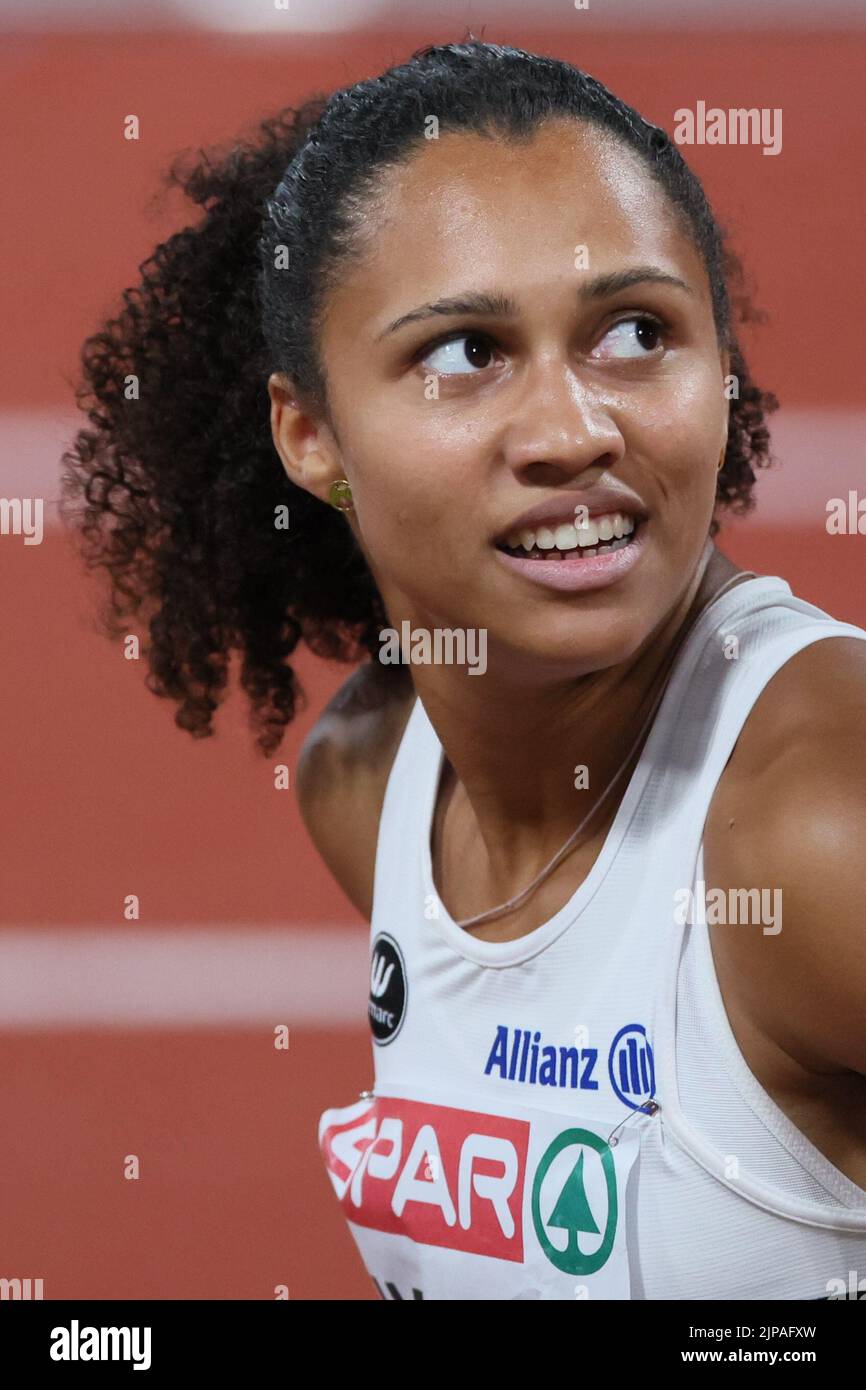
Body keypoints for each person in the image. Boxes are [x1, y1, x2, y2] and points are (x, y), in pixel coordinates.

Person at [61, 39, 866, 1300]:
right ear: (310, 435)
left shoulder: (819, 834)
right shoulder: (374, 787)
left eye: (636, 330)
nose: (570, 431)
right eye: (461, 354)